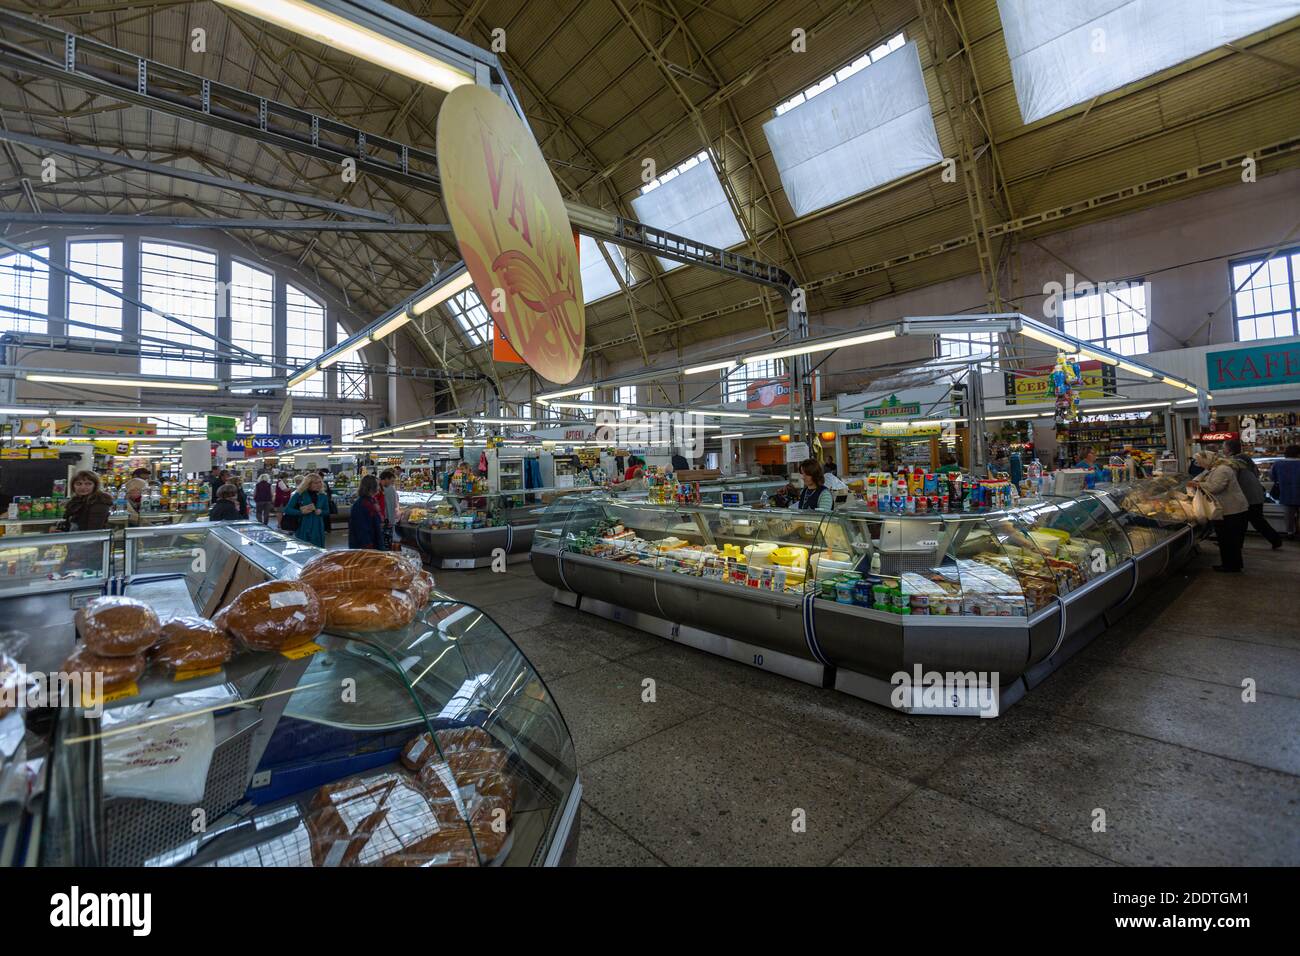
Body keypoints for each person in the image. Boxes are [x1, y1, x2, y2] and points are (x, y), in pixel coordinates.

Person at [1190, 450, 1250, 573]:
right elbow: (1203, 478)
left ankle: (1231, 566)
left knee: (1229, 540)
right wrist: (1198, 481)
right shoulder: (1214, 468)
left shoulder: (1222, 469)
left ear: (1207, 460)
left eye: (1201, 462)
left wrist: (1198, 485)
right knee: (1226, 539)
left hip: (1232, 509)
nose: (1200, 465)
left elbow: (1215, 488)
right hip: (1228, 509)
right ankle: (1230, 564)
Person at [1224, 438, 1283, 549]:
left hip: (1248, 496)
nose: (1223, 449)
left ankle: (1275, 540)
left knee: (1252, 522)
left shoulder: (1234, 461)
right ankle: (1236, 544)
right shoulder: (1246, 459)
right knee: (1249, 522)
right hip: (1255, 494)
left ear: (1229, 449)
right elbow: (1256, 473)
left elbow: (1231, 478)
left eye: (1224, 446)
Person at [1269, 444, 1300, 541]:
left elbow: (1272, 477)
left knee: (1288, 515)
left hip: (1285, 493)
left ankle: (1290, 533)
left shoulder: (1278, 464)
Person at [348, 475, 385, 549]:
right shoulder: (361, 504)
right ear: (371, 487)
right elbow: (360, 527)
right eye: (377, 485)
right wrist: (368, 545)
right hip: (365, 545)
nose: (379, 488)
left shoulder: (371, 500)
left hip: (372, 541)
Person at [378, 469, 400, 550]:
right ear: (386, 479)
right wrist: (391, 520)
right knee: (386, 543)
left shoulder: (380, 488)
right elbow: (391, 506)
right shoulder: (389, 489)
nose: (392, 483)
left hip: (382, 520)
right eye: (391, 481)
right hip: (386, 521)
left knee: (383, 542)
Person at [318, 468, 337, 533]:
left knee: (324, 516)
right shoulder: (324, 483)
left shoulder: (322, 483)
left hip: (323, 502)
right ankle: (327, 529)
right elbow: (329, 492)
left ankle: (325, 529)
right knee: (326, 516)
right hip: (326, 501)